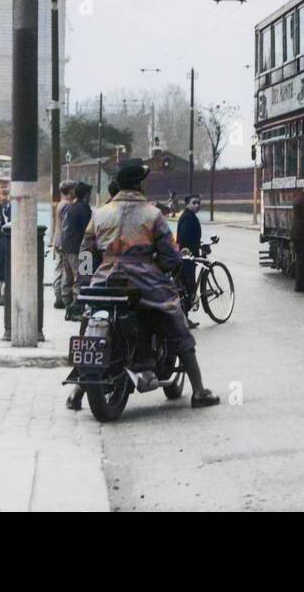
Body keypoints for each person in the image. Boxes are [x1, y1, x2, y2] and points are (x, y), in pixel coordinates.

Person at [79, 160, 219, 407]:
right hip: (144, 281)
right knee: (177, 320)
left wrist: (86, 280)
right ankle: (198, 390)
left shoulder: (100, 213)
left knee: (87, 320)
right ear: (139, 185)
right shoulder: (152, 214)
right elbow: (171, 256)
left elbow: (86, 253)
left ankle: (77, 393)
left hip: (104, 280)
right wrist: (161, 266)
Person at [57, 181, 92, 312]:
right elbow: (88, 230)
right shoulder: (84, 208)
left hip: (67, 246)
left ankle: (67, 304)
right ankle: (77, 307)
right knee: (82, 277)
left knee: (67, 277)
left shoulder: (71, 206)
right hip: (82, 249)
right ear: (87, 194)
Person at [177, 194, 203, 326]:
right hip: (186, 257)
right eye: (194, 203)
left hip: (187, 255)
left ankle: (184, 317)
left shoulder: (189, 216)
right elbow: (184, 236)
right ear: (187, 204)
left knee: (186, 287)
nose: (197, 205)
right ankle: (184, 319)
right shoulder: (188, 218)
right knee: (189, 287)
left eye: (198, 203)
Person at [52, 181, 77, 309]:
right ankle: (60, 297)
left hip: (57, 239)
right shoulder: (68, 205)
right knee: (64, 271)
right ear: (70, 191)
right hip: (63, 241)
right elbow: (67, 226)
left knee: (59, 269)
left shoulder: (61, 203)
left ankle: (58, 296)